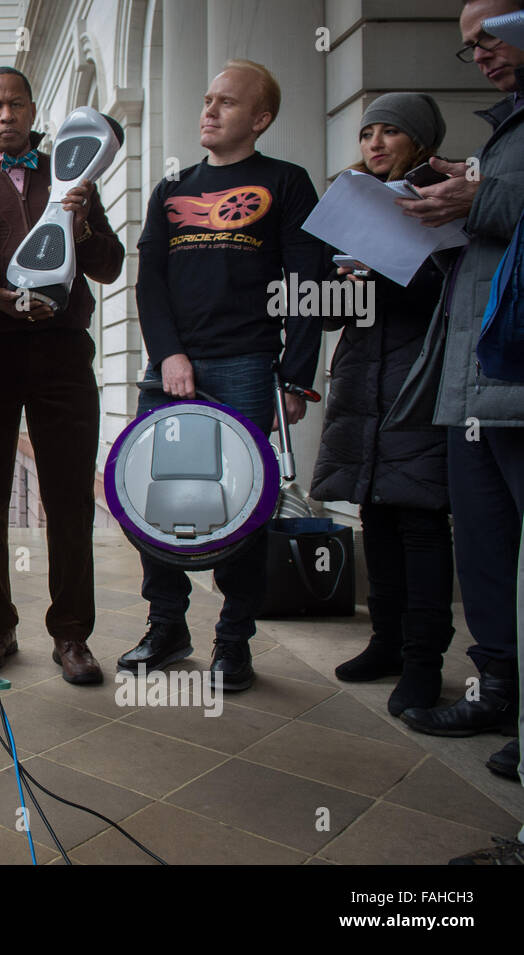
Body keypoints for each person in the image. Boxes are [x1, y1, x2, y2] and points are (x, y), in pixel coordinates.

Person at [123, 59, 327, 691]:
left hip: (246, 365)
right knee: (155, 501)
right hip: (172, 365)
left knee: (241, 508)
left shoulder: (287, 183)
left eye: (228, 104)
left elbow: (308, 285)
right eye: (208, 100)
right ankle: (167, 625)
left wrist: (293, 379)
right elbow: (149, 282)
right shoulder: (170, 189)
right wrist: (170, 353)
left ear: (260, 119)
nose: (209, 111)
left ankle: (234, 639)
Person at [390, 0, 524, 864]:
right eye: (467, 40)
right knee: (484, 552)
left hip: (514, 380)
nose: (472, 51)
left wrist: (480, 195)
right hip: (473, 381)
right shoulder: (503, 127)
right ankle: (501, 692)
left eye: (488, 34)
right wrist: (456, 197)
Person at [0, 66, 124, 686]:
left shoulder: (73, 168)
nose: (7, 116)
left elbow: (109, 266)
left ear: (33, 111)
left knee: (68, 497)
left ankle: (73, 634)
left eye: (18, 105)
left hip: (61, 352)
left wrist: (81, 221)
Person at [310, 93, 455, 718]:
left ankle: (425, 662)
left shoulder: (446, 198)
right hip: (365, 380)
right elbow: (333, 310)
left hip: (420, 380)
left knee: (421, 521)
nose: (374, 143)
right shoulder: (354, 202)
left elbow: (447, 285)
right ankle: (386, 644)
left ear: (418, 142)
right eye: (368, 132)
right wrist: (342, 282)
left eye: (390, 131)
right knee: (379, 516)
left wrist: (380, 269)